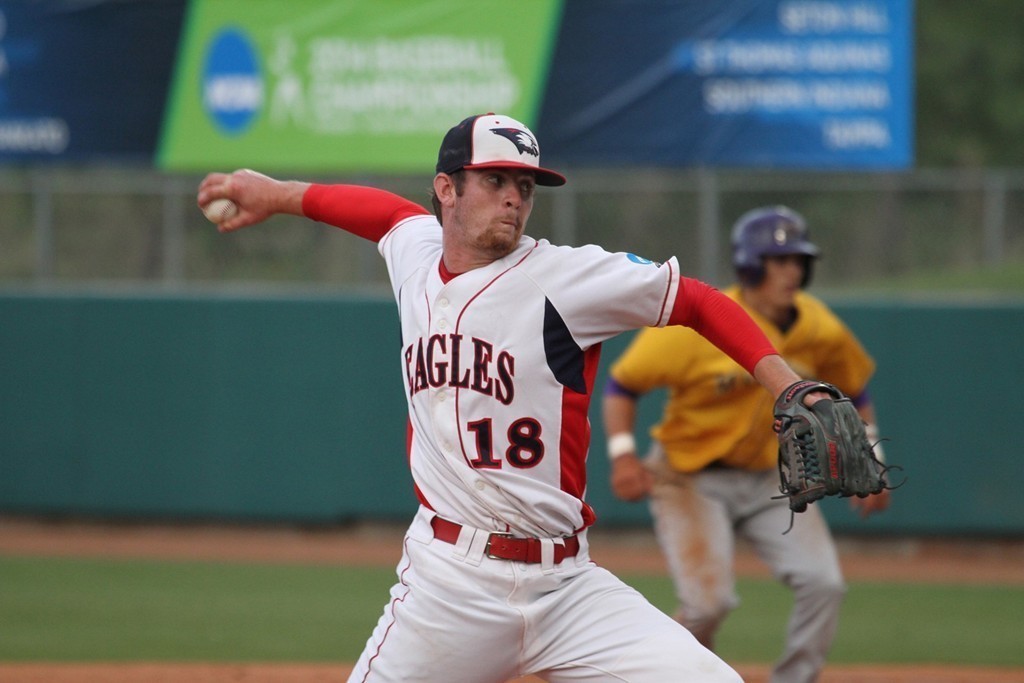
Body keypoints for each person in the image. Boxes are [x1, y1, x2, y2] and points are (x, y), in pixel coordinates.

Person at [198, 113, 838, 683]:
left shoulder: (568, 277)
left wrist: (788, 384)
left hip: (567, 586)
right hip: (449, 585)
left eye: (525, 186)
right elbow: (380, 213)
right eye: (496, 181)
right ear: (446, 189)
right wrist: (274, 194)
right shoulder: (416, 252)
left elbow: (697, 300)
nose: (514, 198)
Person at [602, 205, 892, 683]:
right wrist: (622, 454)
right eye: (778, 260)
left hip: (769, 482)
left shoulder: (818, 325)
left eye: (797, 260)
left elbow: (856, 390)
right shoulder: (705, 321)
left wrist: (875, 457)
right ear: (750, 265)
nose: (791, 271)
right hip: (688, 477)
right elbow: (623, 384)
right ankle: (676, 673)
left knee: (824, 583)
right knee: (707, 605)